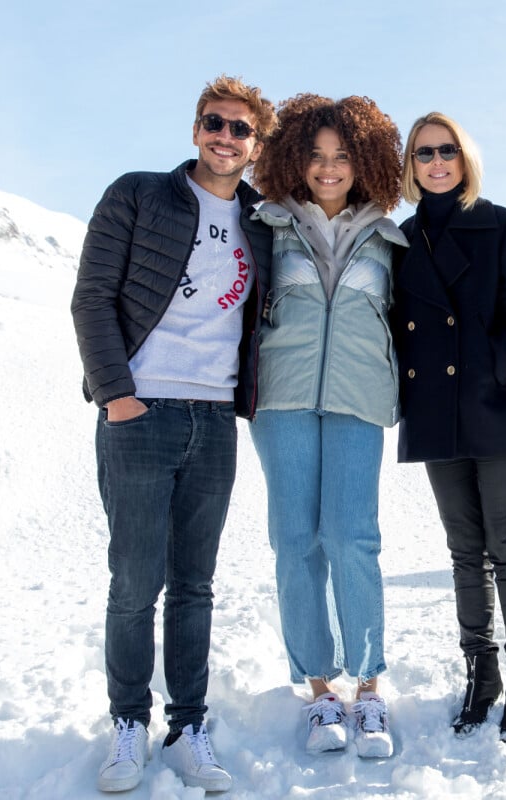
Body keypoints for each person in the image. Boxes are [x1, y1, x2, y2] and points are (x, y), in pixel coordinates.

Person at [71, 75, 277, 792]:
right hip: (141, 415)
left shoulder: (263, 218)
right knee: (134, 581)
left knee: (195, 585)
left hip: (215, 421)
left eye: (240, 129)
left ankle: (189, 725)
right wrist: (117, 395)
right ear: (196, 130)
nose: (225, 136)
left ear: (257, 143)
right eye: (213, 123)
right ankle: (128, 723)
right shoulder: (138, 193)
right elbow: (92, 295)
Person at [248, 94, 405, 759]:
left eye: (343, 156)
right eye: (316, 156)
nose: (329, 168)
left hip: (358, 399)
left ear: (365, 161)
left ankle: (369, 690)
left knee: (351, 538)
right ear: (295, 160)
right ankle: (320, 695)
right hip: (281, 399)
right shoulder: (266, 227)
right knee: (295, 542)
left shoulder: (392, 239)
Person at [391, 113, 506, 747]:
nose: (436, 162)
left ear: (466, 157)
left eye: (448, 150)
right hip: (434, 411)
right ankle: (480, 674)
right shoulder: (400, 240)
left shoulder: (505, 225)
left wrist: (493, 363)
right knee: (465, 552)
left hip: (496, 408)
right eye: (424, 152)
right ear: (411, 163)